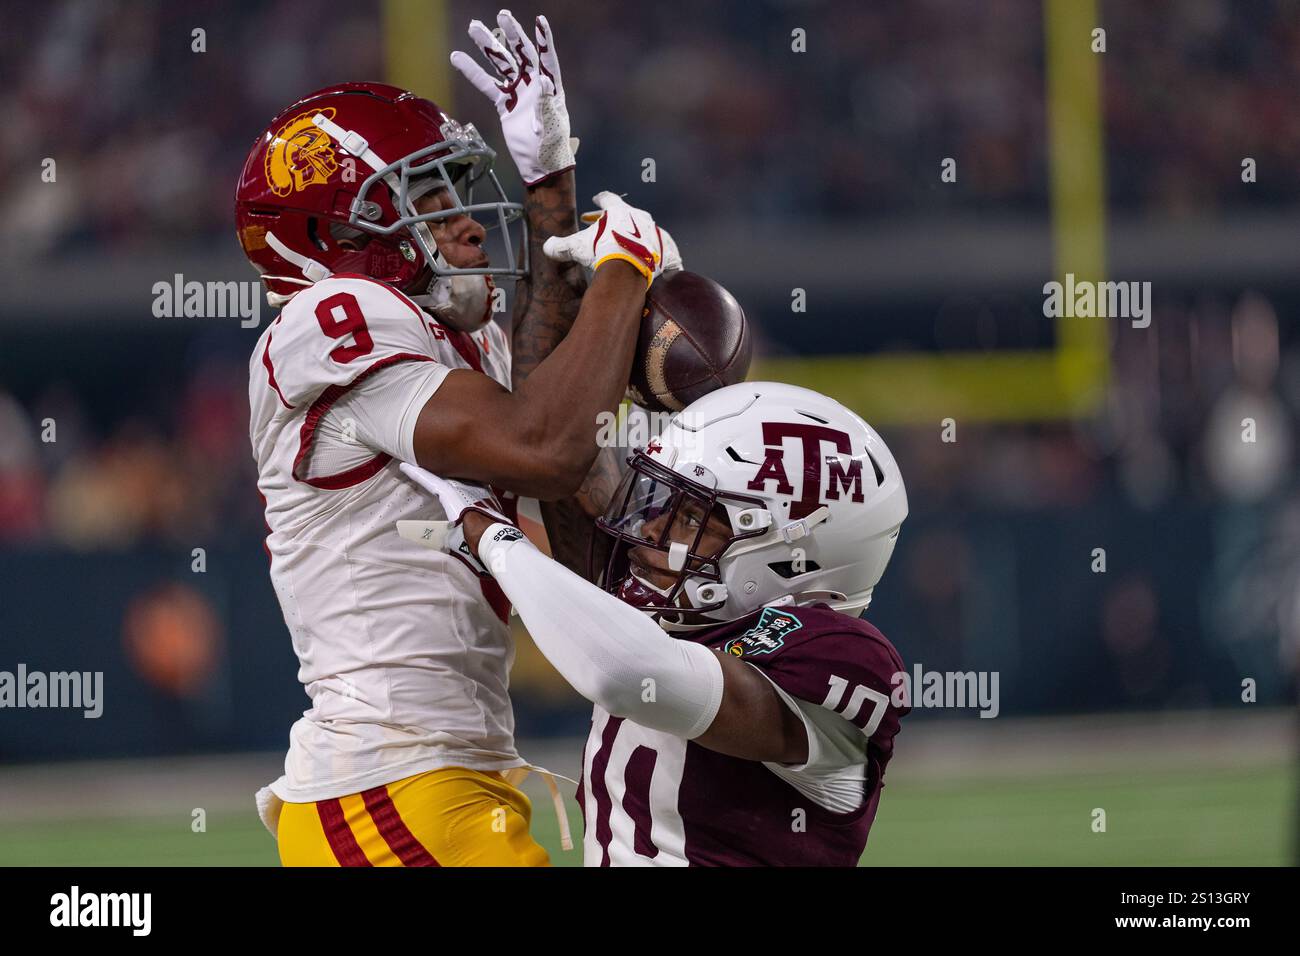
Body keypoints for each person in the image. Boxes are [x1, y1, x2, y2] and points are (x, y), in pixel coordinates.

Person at [236, 11, 673, 865]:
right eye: (429, 205)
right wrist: (624, 271)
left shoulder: (450, 341)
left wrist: (550, 184)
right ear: (338, 238)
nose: (469, 224)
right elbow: (546, 444)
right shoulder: (332, 316)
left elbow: (554, 468)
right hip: (386, 787)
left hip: (434, 781)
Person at [400, 381, 911, 865]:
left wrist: (494, 538)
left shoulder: (842, 654)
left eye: (691, 518)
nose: (650, 529)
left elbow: (631, 673)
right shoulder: (681, 615)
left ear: (790, 552)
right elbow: (565, 465)